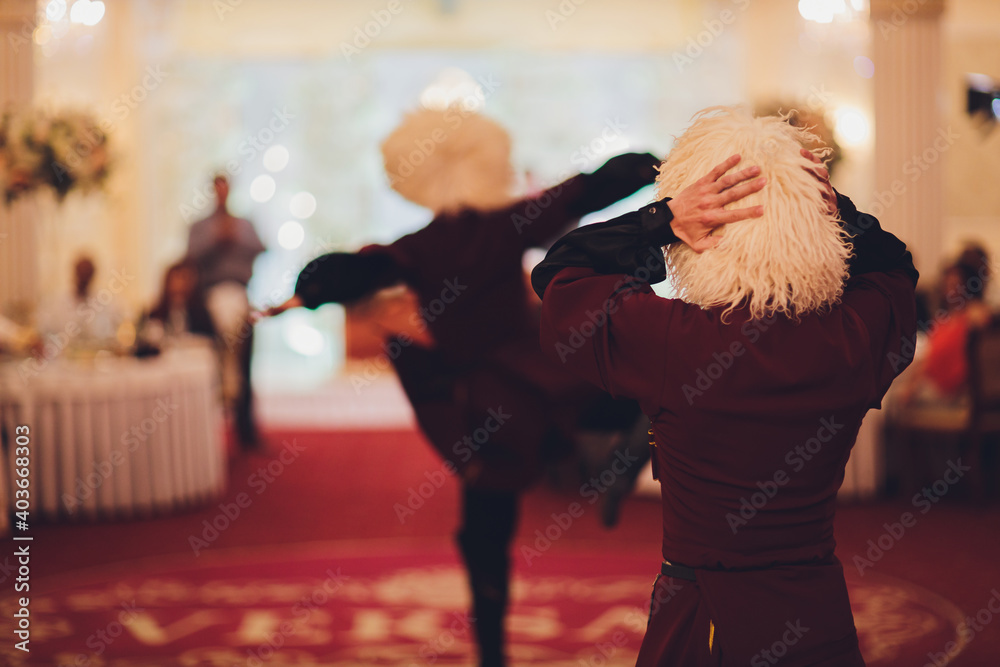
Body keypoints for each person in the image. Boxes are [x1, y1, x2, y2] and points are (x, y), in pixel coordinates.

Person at [263, 107, 665, 667]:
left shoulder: (417, 246)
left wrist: (301, 297)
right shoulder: (508, 224)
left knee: (485, 533)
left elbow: (349, 272)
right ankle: (624, 452)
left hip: (480, 406)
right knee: (636, 388)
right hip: (541, 376)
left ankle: (492, 652)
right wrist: (658, 167)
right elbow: (587, 191)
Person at [531, 106, 917, 665]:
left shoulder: (672, 339)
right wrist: (830, 207)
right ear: (816, 227)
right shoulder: (853, 339)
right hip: (817, 620)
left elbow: (561, 273)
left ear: (708, 239)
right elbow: (895, 268)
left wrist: (663, 219)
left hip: (705, 624)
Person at [185, 174, 265, 450]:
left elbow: (261, 248)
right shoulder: (199, 227)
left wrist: (235, 238)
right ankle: (207, 435)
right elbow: (190, 258)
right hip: (210, 300)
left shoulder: (244, 224)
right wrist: (215, 241)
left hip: (241, 296)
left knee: (244, 366)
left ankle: (246, 430)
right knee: (214, 366)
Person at [37, 254, 124, 352]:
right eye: (81, 273)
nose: (84, 278)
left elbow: (114, 333)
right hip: (63, 360)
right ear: (75, 273)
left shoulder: (106, 304)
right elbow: (45, 332)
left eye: (87, 273)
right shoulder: (56, 302)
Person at [147, 260, 217, 341]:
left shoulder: (201, 313)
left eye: (184, 278)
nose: (180, 283)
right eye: (176, 278)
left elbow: (210, 338)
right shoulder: (157, 313)